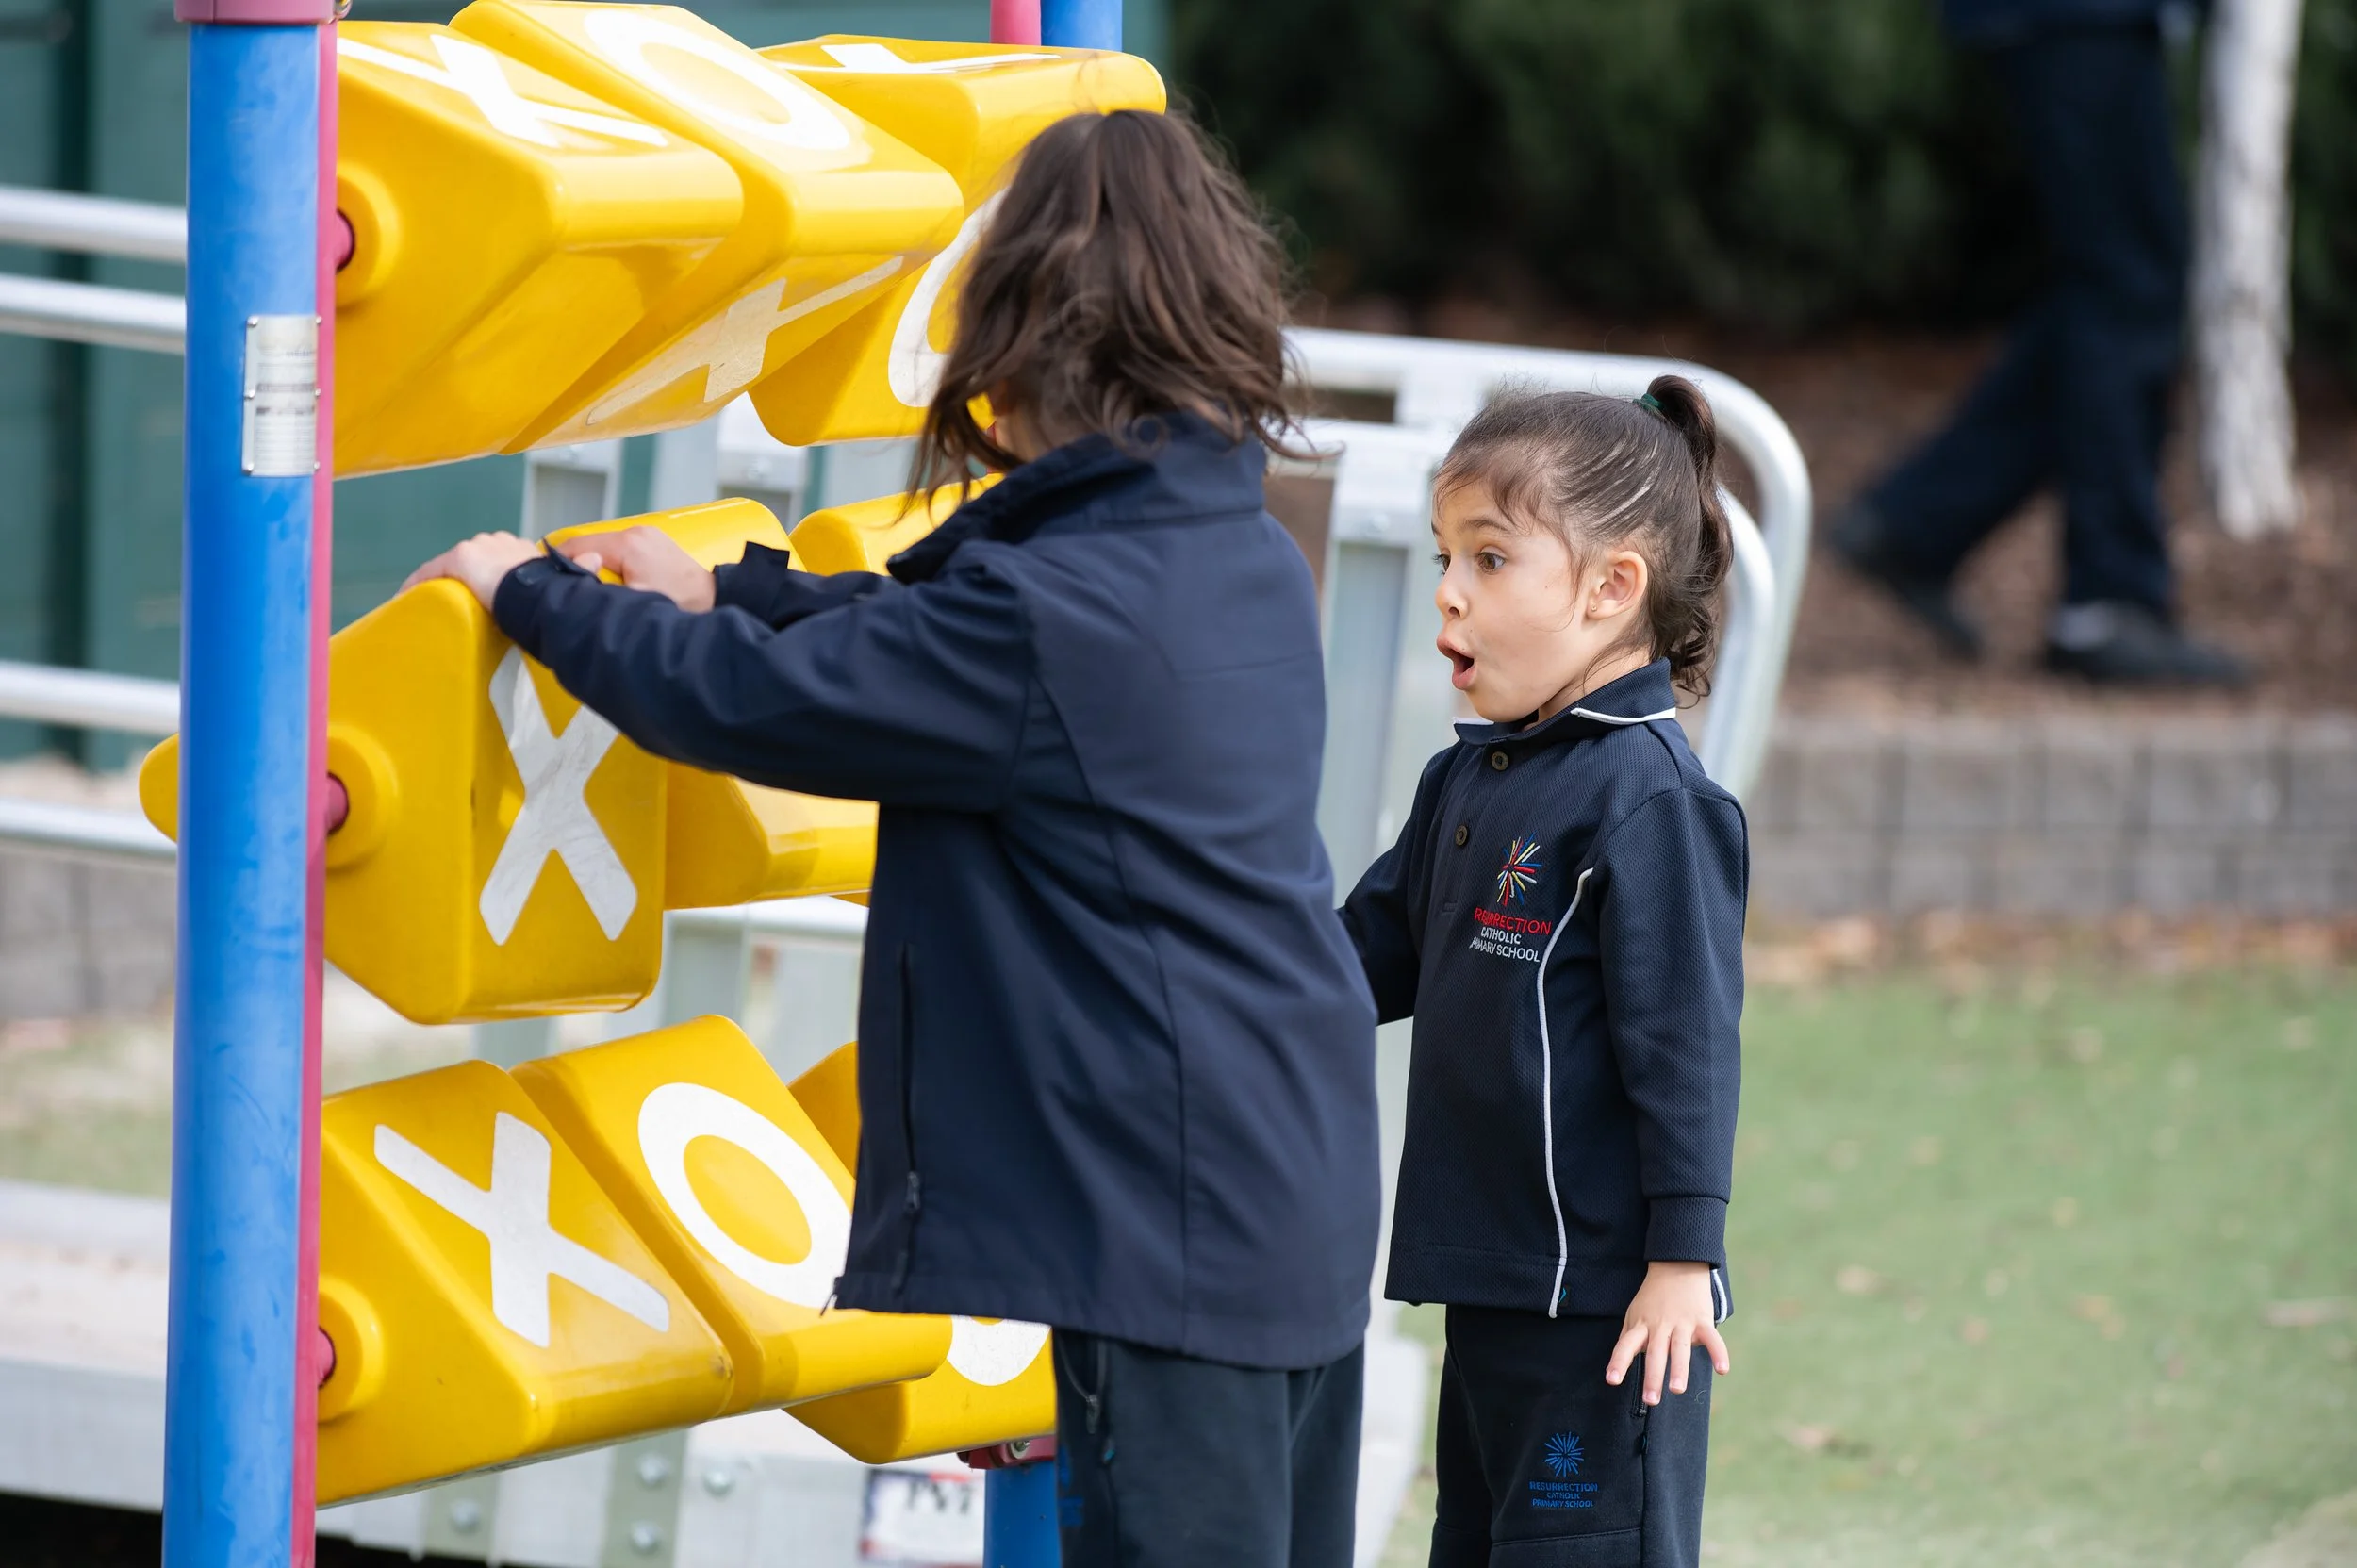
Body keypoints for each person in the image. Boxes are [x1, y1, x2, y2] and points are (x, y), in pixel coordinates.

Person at [405, 109, 1380, 1568]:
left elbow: (750, 706)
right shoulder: (1230, 552)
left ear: (1016, 354)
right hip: (1286, 1186)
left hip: (1165, 1234)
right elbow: (938, 649)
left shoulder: (1047, 617)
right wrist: (731, 585)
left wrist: (530, 592)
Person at [1341, 383, 1745, 1568]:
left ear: (1609, 588)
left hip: (1609, 1315)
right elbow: (1360, 957)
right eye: (1443, 556)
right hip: (1490, 1280)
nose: (1450, 589)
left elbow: (1687, 1044)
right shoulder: (1466, 782)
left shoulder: (1652, 801)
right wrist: (1195, 975)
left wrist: (1684, 1259)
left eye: (1491, 556)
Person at [1832, 0, 2247, 685]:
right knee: (2128, 283)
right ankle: (2108, 598)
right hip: (2081, 13)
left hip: (2075, 16)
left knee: (2117, 285)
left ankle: (1917, 523)